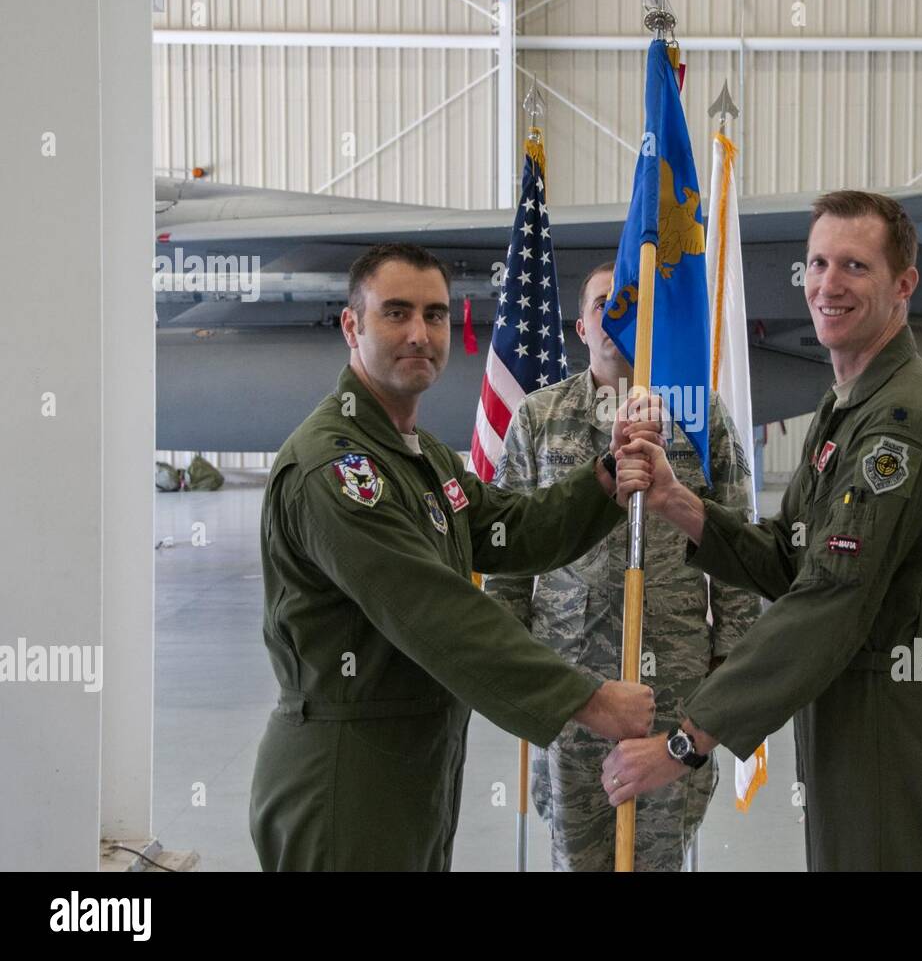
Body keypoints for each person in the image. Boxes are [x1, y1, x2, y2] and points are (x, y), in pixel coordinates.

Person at [603, 191, 922, 872]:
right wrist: (675, 501)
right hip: (843, 699)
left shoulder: (902, 424)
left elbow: (830, 598)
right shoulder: (848, 406)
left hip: (883, 712)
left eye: (855, 266)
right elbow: (792, 557)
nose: (827, 285)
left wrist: (686, 742)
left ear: (904, 285)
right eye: (817, 263)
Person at [250, 243, 657, 871]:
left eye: (435, 314)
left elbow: (511, 530)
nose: (419, 333)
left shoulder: (421, 457)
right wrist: (587, 699)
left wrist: (604, 476)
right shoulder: (336, 469)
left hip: (416, 760)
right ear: (351, 326)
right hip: (345, 769)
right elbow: (433, 611)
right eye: (396, 313)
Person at [484, 262, 762, 872]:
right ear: (580, 328)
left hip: (673, 693)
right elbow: (507, 559)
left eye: (630, 304)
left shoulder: (699, 417)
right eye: (601, 305)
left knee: (659, 859)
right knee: (576, 859)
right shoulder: (538, 418)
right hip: (570, 690)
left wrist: (726, 676)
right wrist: (518, 682)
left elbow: (739, 552)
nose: (616, 316)